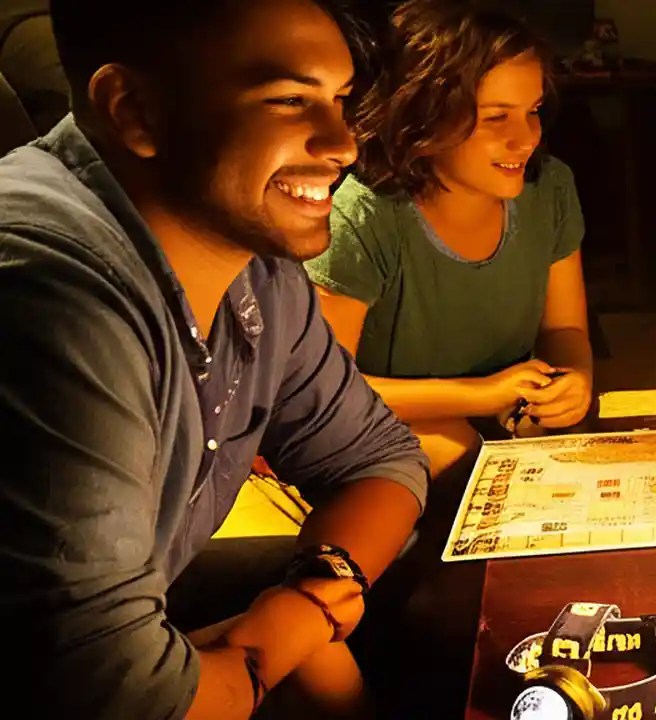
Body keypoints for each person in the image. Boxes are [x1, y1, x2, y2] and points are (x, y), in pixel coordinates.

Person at [0, 0, 430, 718]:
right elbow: (121, 697)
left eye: (341, 99)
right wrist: (276, 650)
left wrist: (316, 591)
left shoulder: (255, 266)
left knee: (425, 576)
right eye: (291, 100)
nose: (344, 144)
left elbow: (380, 458)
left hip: (115, 631)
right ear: (134, 110)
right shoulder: (53, 299)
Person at [305, 0, 592, 480]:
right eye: (497, 117)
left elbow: (565, 332)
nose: (525, 138)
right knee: (463, 462)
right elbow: (321, 393)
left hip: (506, 416)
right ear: (427, 114)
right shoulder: (364, 217)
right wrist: (479, 393)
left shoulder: (549, 190)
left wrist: (573, 381)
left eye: (534, 111)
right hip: (381, 424)